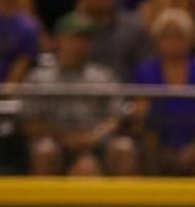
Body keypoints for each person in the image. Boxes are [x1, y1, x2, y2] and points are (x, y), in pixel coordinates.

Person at [23, 12, 137, 177]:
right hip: (57, 144)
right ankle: (40, 195)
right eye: (74, 39)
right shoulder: (39, 78)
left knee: (124, 148)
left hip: (97, 145)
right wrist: (64, 138)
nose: (79, 45)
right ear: (59, 41)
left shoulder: (103, 76)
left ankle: (127, 195)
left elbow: (116, 117)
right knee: (44, 150)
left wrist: (95, 137)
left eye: (85, 40)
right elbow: (31, 122)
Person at [131, 8, 195, 176]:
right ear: (157, 40)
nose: (173, 42)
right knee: (134, 151)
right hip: (157, 146)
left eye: (179, 36)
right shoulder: (146, 72)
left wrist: (194, 151)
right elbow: (140, 120)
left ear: (190, 39)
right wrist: (158, 149)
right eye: (167, 36)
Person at [76, 0, 153, 80]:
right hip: (80, 91)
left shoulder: (134, 29)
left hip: (124, 90)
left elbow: (146, 74)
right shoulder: (72, 30)